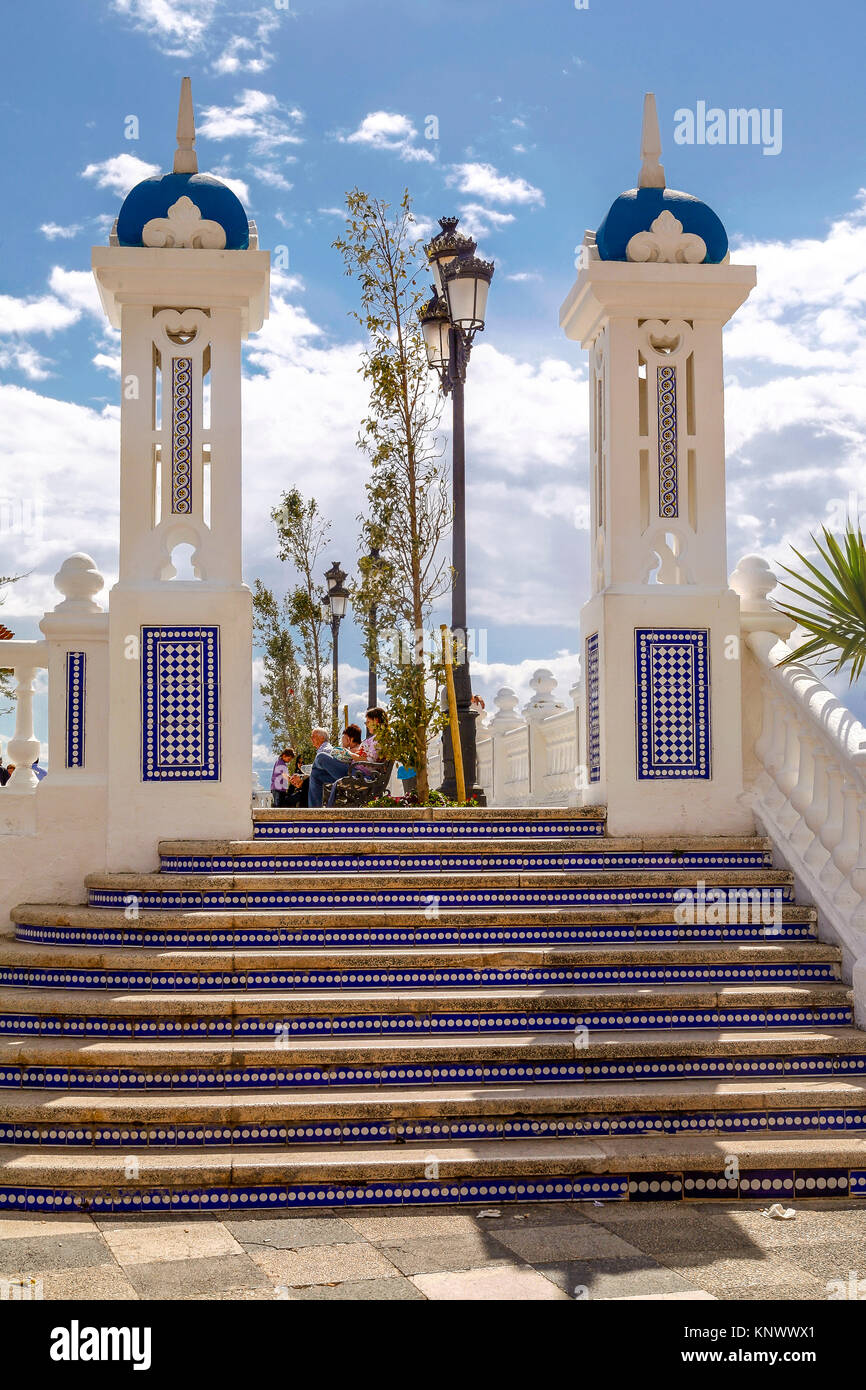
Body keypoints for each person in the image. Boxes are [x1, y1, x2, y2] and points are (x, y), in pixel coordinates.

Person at [308, 725, 363, 808]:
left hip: (353, 775)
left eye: (343, 738)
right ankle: (314, 810)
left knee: (320, 757)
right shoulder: (351, 750)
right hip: (345, 774)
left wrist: (346, 751)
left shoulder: (355, 750)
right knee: (315, 774)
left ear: (349, 739)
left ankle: (315, 809)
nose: (341, 740)